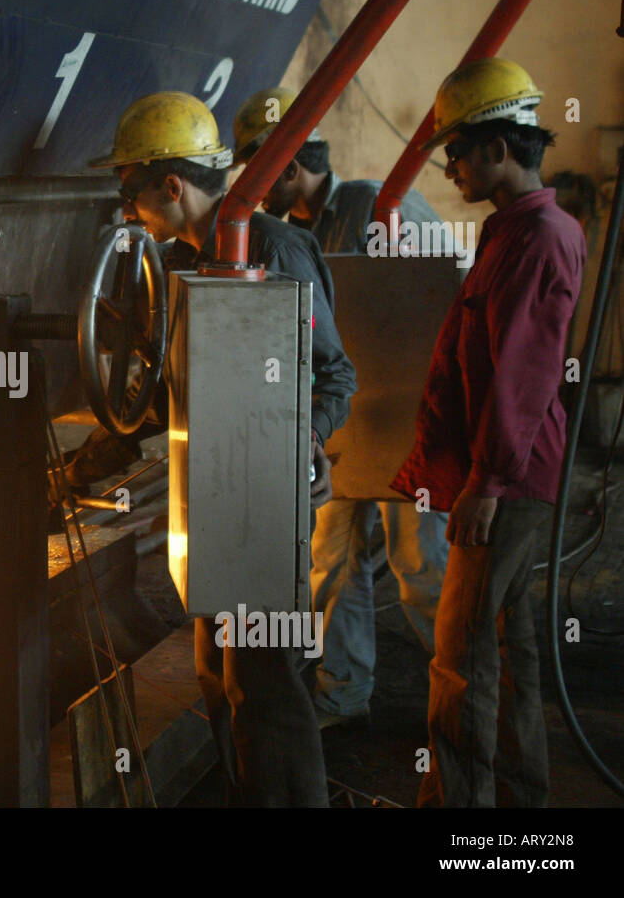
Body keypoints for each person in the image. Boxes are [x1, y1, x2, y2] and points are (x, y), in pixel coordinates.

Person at [85, 90, 357, 805]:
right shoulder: (176, 262)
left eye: (132, 192)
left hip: (263, 497)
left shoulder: (277, 249)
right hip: (208, 500)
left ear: (171, 186)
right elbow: (160, 386)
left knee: (265, 679)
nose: (129, 212)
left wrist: (307, 441)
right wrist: (98, 454)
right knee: (216, 673)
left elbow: (335, 373)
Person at [391, 58, 585, 807]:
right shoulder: (517, 231)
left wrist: (487, 483)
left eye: (459, 151)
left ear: (501, 148)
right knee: (513, 646)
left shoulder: (537, 236)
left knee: (460, 654)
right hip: (515, 475)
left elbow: (524, 373)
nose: (450, 168)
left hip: (508, 479)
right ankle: (521, 810)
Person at [233, 87, 452, 729]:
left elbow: (433, 304)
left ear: (287, 166)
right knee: (331, 561)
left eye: (257, 175)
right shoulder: (290, 236)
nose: (252, 192)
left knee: (420, 564)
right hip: (339, 429)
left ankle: (463, 692)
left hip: (409, 424)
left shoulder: (379, 206)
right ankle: (343, 686)